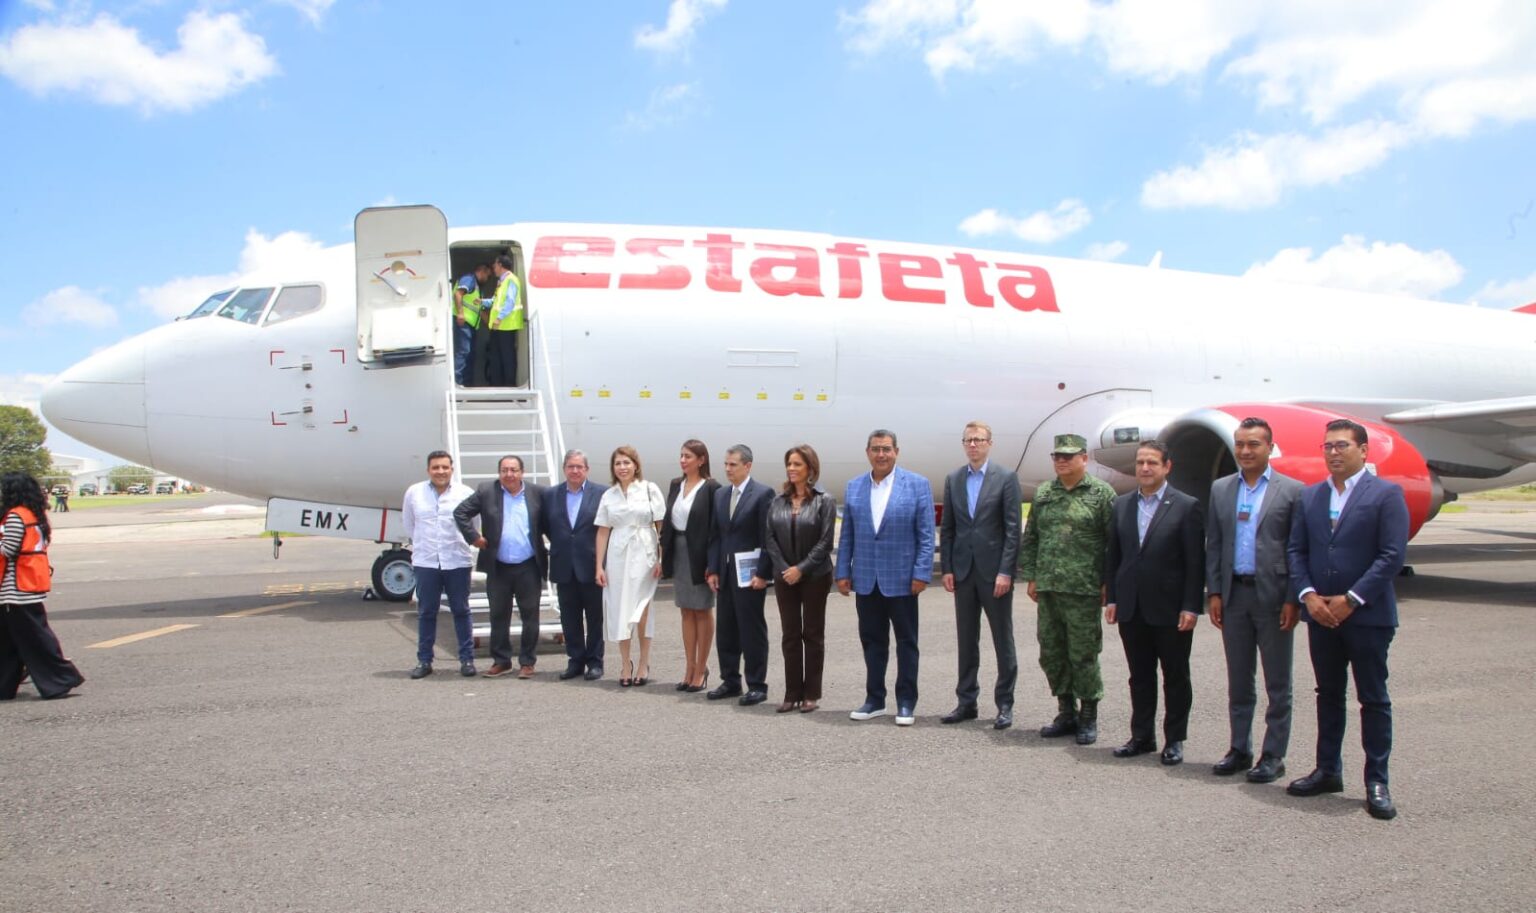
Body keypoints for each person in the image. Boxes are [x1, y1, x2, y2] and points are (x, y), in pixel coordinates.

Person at [1286, 419, 1409, 821]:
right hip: (1320, 614)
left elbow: (1392, 556)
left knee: (1372, 698)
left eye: (1342, 446)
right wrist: (1308, 596)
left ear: (1363, 451)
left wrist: (1352, 599)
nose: (1333, 453)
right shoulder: (1311, 497)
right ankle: (1327, 770)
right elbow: (1296, 551)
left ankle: (1377, 779)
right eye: (1327, 446)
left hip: (1367, 616)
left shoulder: (1386, 494)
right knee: (1328, 694)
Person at [1205, 417, 1303, 783]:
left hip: (1274, 599)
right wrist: (1214, 592)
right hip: (1234, 596)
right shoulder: (1221, 489)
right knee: (1238, 679)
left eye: (1254, 444)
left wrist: (1294, 597)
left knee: (1278, 682)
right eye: (1240, 444)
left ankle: (1273, 754)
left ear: (1269, 448)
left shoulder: (1292, 491)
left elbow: (1297, 549)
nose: (1245, 451)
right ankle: (1239, 748)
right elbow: (1214, 544)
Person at [1105, 440, 1204, 765]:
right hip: (1132, 607)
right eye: (1140, 462)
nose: (1145, 468)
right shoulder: (1121, 505)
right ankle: (1141, 735)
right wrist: (1113, 598)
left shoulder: (1186, 506)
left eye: (1152, 463)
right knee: (1139, 675)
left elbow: (1195, 562)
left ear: (1167, 467)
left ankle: (1175, 739)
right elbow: (1114, 556)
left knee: (1175, 676)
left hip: (1170, 608)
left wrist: (1191, 606)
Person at [1017, 433, 1116, 745]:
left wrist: (1107, 583)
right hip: (1049, 587)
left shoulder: (1102, 494)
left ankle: (1088, 714)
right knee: (1052, 652)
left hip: (1084, 589)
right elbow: (1031, 537)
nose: (1061, 461)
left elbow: (1115, 544)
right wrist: (1032, 575)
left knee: (1083, 654)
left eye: (1069, 456)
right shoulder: (1045, 493)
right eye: (1057, 456)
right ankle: (1065, 710)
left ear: (1084, 459)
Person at [836, 429, 935, 726]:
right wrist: (842, 571)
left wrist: (921, 573)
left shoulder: (917, 485)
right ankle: (874, 699)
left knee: (907, 642)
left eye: (887, 449)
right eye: (876, 449)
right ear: (868, 452)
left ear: (896, 452)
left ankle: (906, 701)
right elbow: (848, 535)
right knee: (872, 641)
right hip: (866, 578)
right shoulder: (854, 487)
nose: (881, 454)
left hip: (903, 580)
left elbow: (926, 535)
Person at [939, 421, 1022, 730]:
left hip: (994, 574)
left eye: (979, 440)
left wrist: (1006, 571)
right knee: (966, 640)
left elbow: (1013, 529)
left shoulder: (1006, 478)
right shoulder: (954, 479)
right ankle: (966, 701)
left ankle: (1005, 704)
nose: (973, 445)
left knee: (1003, 639)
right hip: (963, 572)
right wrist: (947, 568)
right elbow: (948, 528)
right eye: (968, 440)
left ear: (990, 443)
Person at [454, 455, 546, 679]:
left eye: (514, 470)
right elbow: (460, 512)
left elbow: (552, 520)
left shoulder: (537, 493)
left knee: (530, 617)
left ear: (522, 472)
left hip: (528, 565)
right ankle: (501, 661)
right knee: (498, 616)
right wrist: (473, 537)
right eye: (504, 470)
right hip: (499, 566)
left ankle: (527, 662)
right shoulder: (487, 491)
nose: (509, 474)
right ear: (499, 473)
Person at [761, 444, 836, 713]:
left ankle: (811, 694)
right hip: (784, 578)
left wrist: (801, 569)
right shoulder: (777, 501)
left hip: (815, 575)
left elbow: (826, 540)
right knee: (790, 634)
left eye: (797, 464)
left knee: (813, 634)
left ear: (810, 469)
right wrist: (785, 569)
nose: (792, 469)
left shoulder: (823, 500)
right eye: (789, 464)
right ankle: (792, 692)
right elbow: (770, 539)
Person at [0, 473, 84, 700]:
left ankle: (60, 679)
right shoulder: (34, 516)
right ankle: (4, 685)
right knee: (9, 643)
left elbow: (8, 549)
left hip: (14, 589)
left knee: (34, 639)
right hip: (27, 586)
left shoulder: (15, 516)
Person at [705, 445, 775, 706]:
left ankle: (757, 684)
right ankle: (730, 680)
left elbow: (767, 537)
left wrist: (763, 574)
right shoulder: (721, 495)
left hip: (750, 575)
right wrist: (713, 569)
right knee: (726, 629)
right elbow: (715, 536)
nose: (727, 469)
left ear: (748, 466)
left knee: (751, 630)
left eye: (733, 464)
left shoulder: (762, 494)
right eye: (726, 464)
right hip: (725, 573)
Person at [594, 446, 667, 686]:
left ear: (636, 465)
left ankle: (644, 661)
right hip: (618, 555)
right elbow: (603, 532)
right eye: (618, 463)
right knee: (619, 610)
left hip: (644, 553)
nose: (622, 467)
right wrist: (599, 566)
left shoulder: (649, 489)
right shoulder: (609, 495)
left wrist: (661, 558)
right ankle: (626, 663)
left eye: (626, 462)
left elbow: (660, 527)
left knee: (643, 608)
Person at [402, 451, 477, 679]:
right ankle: (425, 660)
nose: (441, 472)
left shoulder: (465, 493)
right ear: (428, 470)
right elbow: (409, 525)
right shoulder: (414, 493)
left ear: (451, 469)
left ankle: (466, 660)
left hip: (457, 561)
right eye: (436, 467)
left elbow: (474, 524)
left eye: (445, 467)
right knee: (426, 612)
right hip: (427, 562)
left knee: (461, 611)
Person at [661, 440, 720, 693]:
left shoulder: (711, 488)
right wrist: (663, 556)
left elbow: (715, 529)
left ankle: (701, 668)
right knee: (685, 609)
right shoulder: (676, 484)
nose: (683, 460)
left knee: (702, 610)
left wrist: (712, 563)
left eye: (688, 456)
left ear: (701, 460)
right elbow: (668, 522)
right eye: (681, 455)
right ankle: (689, 665)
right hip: (679, 552)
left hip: (700, 555)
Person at [544, 449, 608, 681]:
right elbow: (546, 526)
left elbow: (606, 528)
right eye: (571, 466)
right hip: (563, 565)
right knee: (569, 619)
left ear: (587, 470)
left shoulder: (601, 493)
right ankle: (575, 661)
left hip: (591, 565)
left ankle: (595, 662)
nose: (575, 470)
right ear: (564, 469)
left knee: (595, 618)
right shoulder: (550, 495)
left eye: (579, 466)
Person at [486, 254, 524, 387]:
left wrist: (499, 317)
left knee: (507, 358)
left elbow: (510, 302)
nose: (493, 267)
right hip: (498, 327)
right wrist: (482, 302)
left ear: (501, 265)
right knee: (496, 356)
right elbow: (496, 301)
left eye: (495, 265)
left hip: (506, 326)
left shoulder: (511, 280)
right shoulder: (502, 281)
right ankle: (497, 384)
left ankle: (509, 385)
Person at [453, 263, 492, 386]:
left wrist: (492, 327)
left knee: (470, 355)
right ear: (482, 271)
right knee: (464, 352)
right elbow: (458, 294)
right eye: (488, 276)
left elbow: (480, 311)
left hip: (471, 326)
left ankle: (467, 384)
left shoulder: (478, 289)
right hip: (463, 323)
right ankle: (457, 383)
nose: (487, 279)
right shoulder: (469, 279)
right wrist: (460, 314)